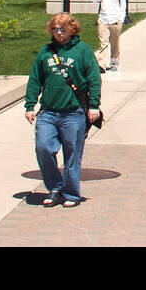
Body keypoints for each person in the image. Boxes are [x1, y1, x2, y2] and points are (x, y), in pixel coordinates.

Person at [24, 13, 101, 207]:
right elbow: (35, 79)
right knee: (43, 148)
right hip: (48, 112)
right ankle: (55, 187)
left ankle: (72, 194)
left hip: (74, 113)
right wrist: (30, 105)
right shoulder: (45, 52)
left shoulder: (82, 51)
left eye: (63, 29)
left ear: (72, 29)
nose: (59, 32)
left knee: (72, 154)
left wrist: (94, 105)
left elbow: (94, 79)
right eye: (55, 29)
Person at [90, 0, 126, 71]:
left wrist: (120, 20)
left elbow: (123, 7)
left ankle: (114, 63)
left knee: (115, 44)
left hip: (115, 21)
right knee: (103, 43)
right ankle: (102, 64)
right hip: (103, 20)